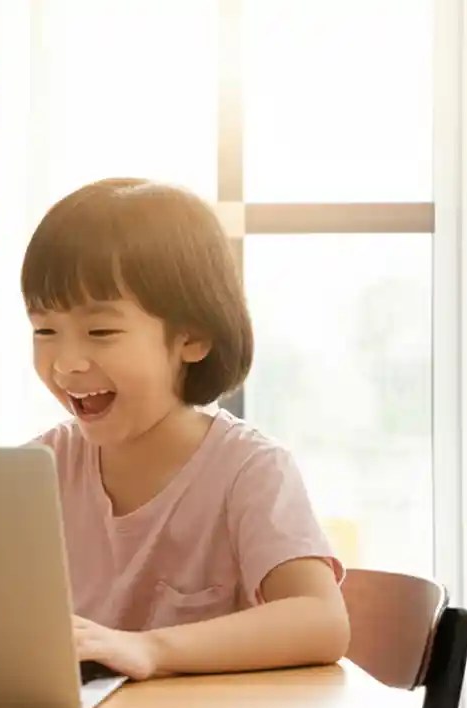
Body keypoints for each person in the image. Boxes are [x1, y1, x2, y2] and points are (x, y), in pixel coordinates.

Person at [21, 178, 348, 680]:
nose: (65, 364)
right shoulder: (34, 470)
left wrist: (150, 649)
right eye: (45, 330)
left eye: (101, 331)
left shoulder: (250, 469)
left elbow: (322, 621)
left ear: (193, 337)